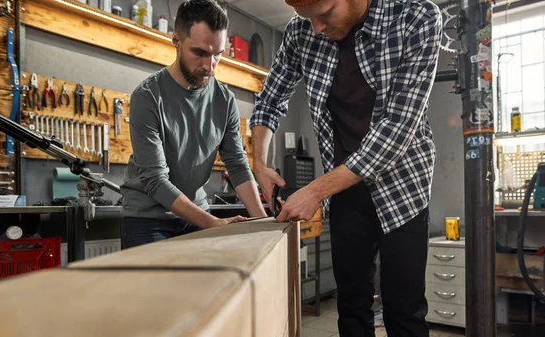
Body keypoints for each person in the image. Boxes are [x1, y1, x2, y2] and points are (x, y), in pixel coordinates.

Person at [250, 0, 442, 336]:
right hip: (345, 193)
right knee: (351, 307)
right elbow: (270, 99)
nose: (317, 29)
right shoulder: (302, 32)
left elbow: (396, 129)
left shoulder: (417, 18)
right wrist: (259, 162)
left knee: (404, 310)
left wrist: (314, 190)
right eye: (307, 19)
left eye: (324, 15)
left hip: (403, 187)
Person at [120, 0, 266, 249]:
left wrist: (264, 223)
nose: (210, 66)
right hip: (147, 219)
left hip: (196, 211)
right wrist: (211, 223)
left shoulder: (224, 99)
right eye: (200, 53)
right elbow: (155, 180)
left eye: (217, 55)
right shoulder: (147, 97)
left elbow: (238, 164)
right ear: (176, 41)